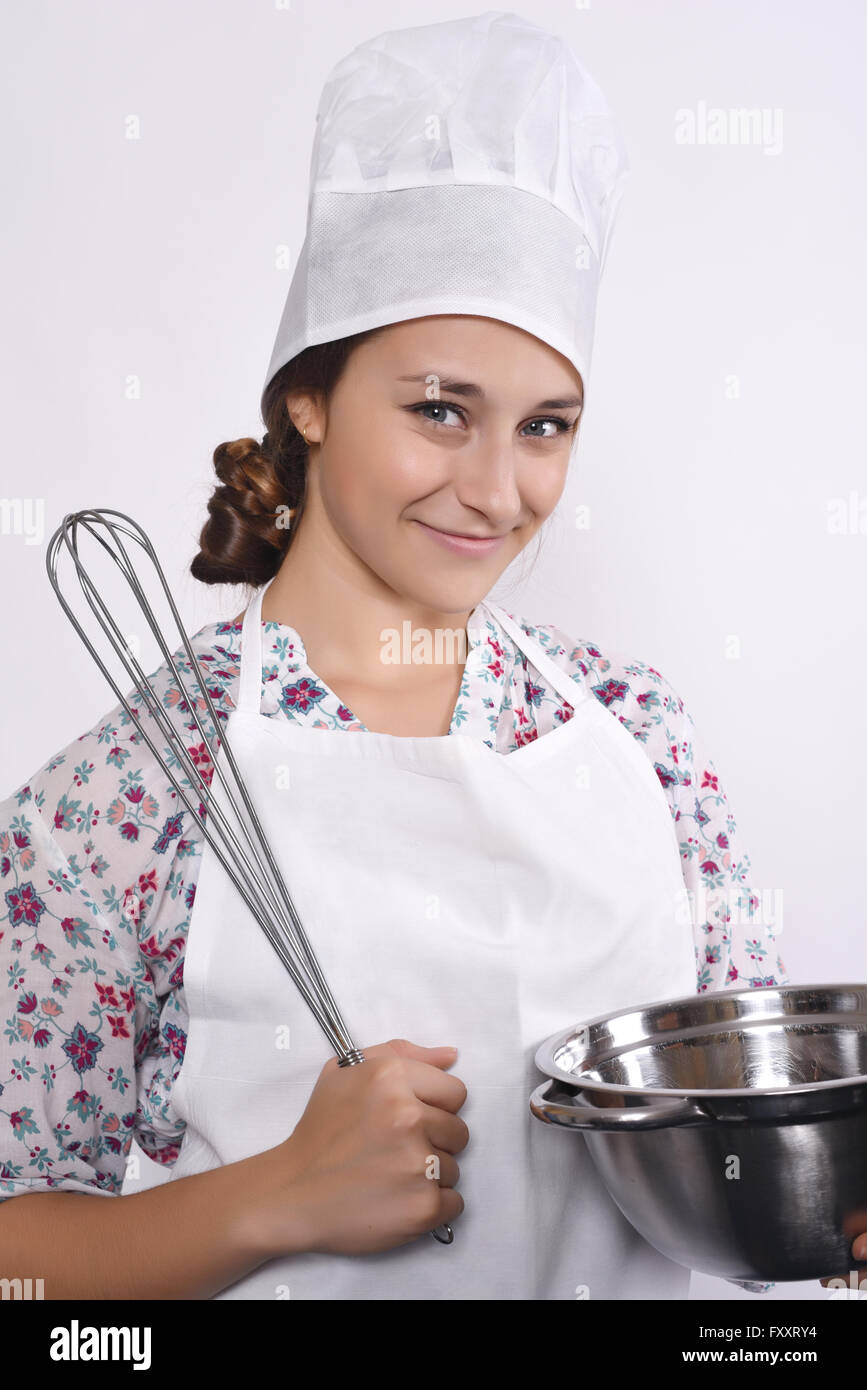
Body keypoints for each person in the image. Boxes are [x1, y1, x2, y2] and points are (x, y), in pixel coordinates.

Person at [0, 11, 838, 1301]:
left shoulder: (637, 740)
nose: (497, 492)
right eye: (440, 409)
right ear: (310, 396)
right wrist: (274, 1197)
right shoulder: (126, 800)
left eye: (545, 426)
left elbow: (770, 1159)